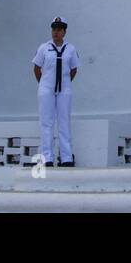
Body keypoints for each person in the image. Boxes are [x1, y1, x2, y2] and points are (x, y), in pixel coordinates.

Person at [32, 16, 80, 167]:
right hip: (46, 89)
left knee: (64, 122)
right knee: (46, 122)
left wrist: (63, 83)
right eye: (54, 29)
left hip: (64, 89)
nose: (56, 32)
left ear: (64, 32)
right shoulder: (44, 48)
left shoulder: (70, 49)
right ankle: (47, 157)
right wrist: (45, 84)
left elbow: (74, 69)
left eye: (59, 29)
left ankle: (66, 158)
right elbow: (37, 68)